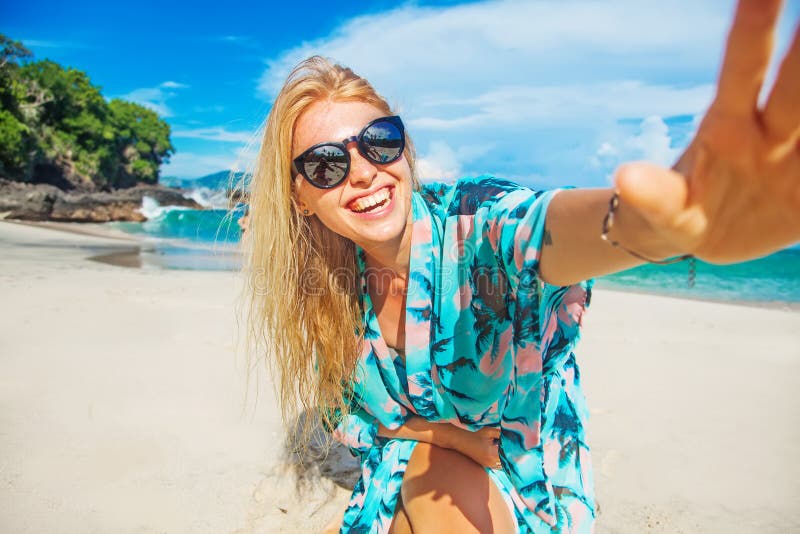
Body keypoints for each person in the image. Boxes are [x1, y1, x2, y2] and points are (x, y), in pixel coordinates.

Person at [244, 1, 800, 531]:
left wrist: (646, 230)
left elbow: (535, 230)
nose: (362, 171)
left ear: (403, 146)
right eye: (325, 164)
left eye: (379, 142)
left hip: (527, 476)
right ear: (298, 195)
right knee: (423, 471)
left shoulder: (472, 221)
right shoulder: (325, 290)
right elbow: (358, 419)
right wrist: (444, 436)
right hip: (424, 470)